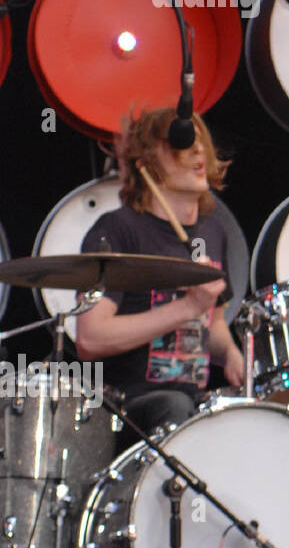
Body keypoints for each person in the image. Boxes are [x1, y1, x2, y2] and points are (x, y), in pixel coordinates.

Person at [76, 108, 244, 438]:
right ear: (148, 162)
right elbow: (90, 338)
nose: (198, 151)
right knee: (175, 406)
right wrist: (186, 308)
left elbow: (215, 323)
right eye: (181, 145)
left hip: (191, 403)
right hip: (127, 409)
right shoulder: (119, 230)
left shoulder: (213, 232)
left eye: (200, 143)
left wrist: (233, 355)